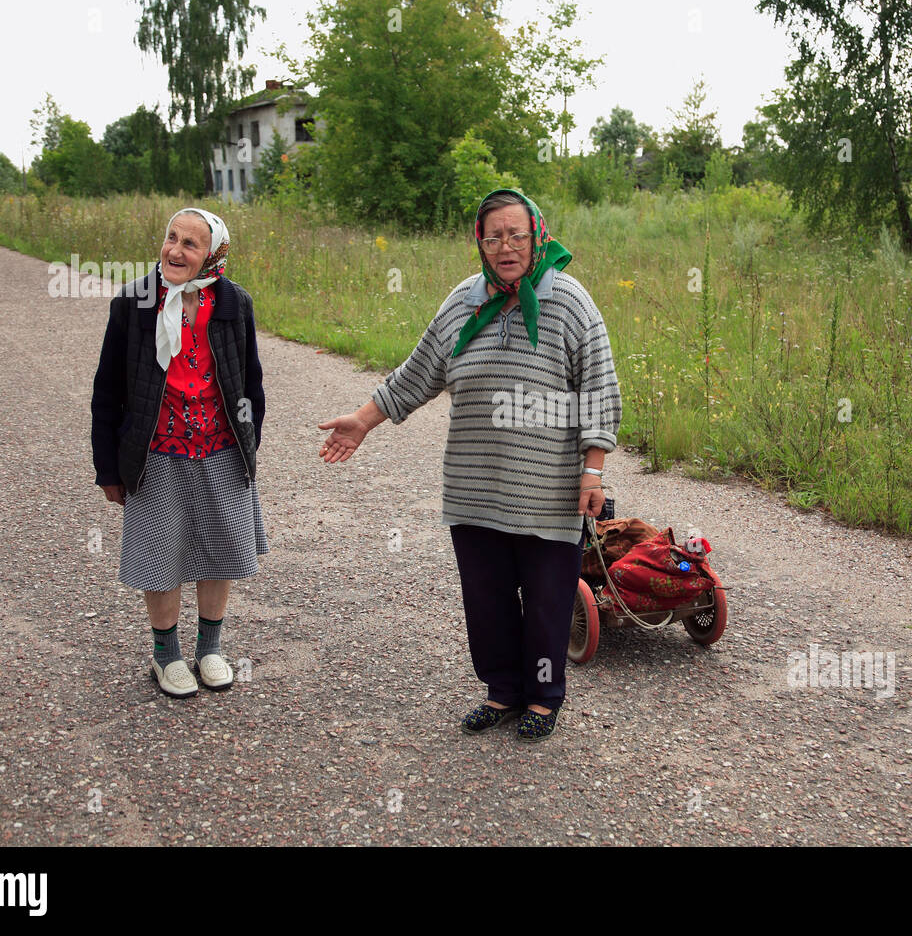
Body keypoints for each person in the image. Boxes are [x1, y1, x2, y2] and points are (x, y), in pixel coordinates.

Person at [318, 189, 621, 742]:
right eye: (493, 236)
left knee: (549, 602)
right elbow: (418, 372)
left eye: (516, 234)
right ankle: (502, 690)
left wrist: (593, 469)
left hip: (549, 491)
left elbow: (600, 389)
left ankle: (543, 699)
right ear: (478, 242)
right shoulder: (462, 302)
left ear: (536, 235)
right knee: (486, 600)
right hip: (475, 486)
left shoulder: (571, 302)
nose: (506, 246)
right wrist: (364, 420)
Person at [91, 207, 267, 698]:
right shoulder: (134, 302)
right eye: (171, 237)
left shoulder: (234, 303)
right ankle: (165, 656)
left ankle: (210, 649)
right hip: (157, 453)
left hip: (221, 449)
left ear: (212, 255)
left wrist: (249, 443)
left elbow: (251, 383)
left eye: (191, 244)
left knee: (219, 550)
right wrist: (108, 466)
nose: (175, 250)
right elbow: (107, 391)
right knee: (160, 555)